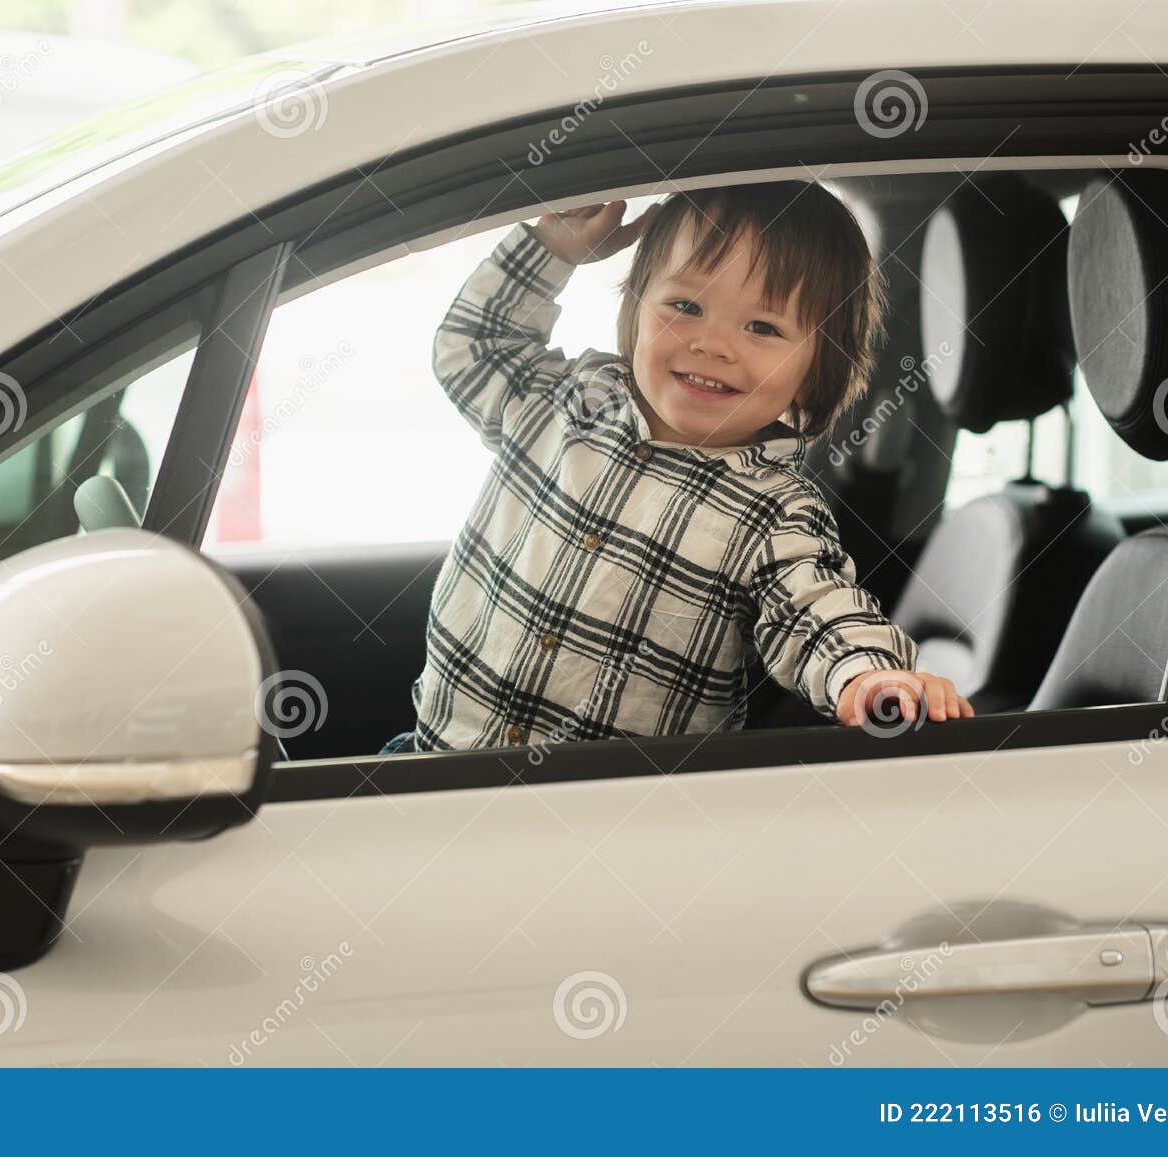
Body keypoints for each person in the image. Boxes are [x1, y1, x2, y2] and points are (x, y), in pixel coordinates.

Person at [378, 183, 971, 757]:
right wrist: (552, 252)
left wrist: (868, 676)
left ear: (817, 370)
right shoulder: (567, 398)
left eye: (762, 327)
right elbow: (472, 346)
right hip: (435, 758)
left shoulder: (772, 509)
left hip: (611, 823)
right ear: (636, 308)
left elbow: (816, 609)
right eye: (685, 307)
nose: (712, 344)